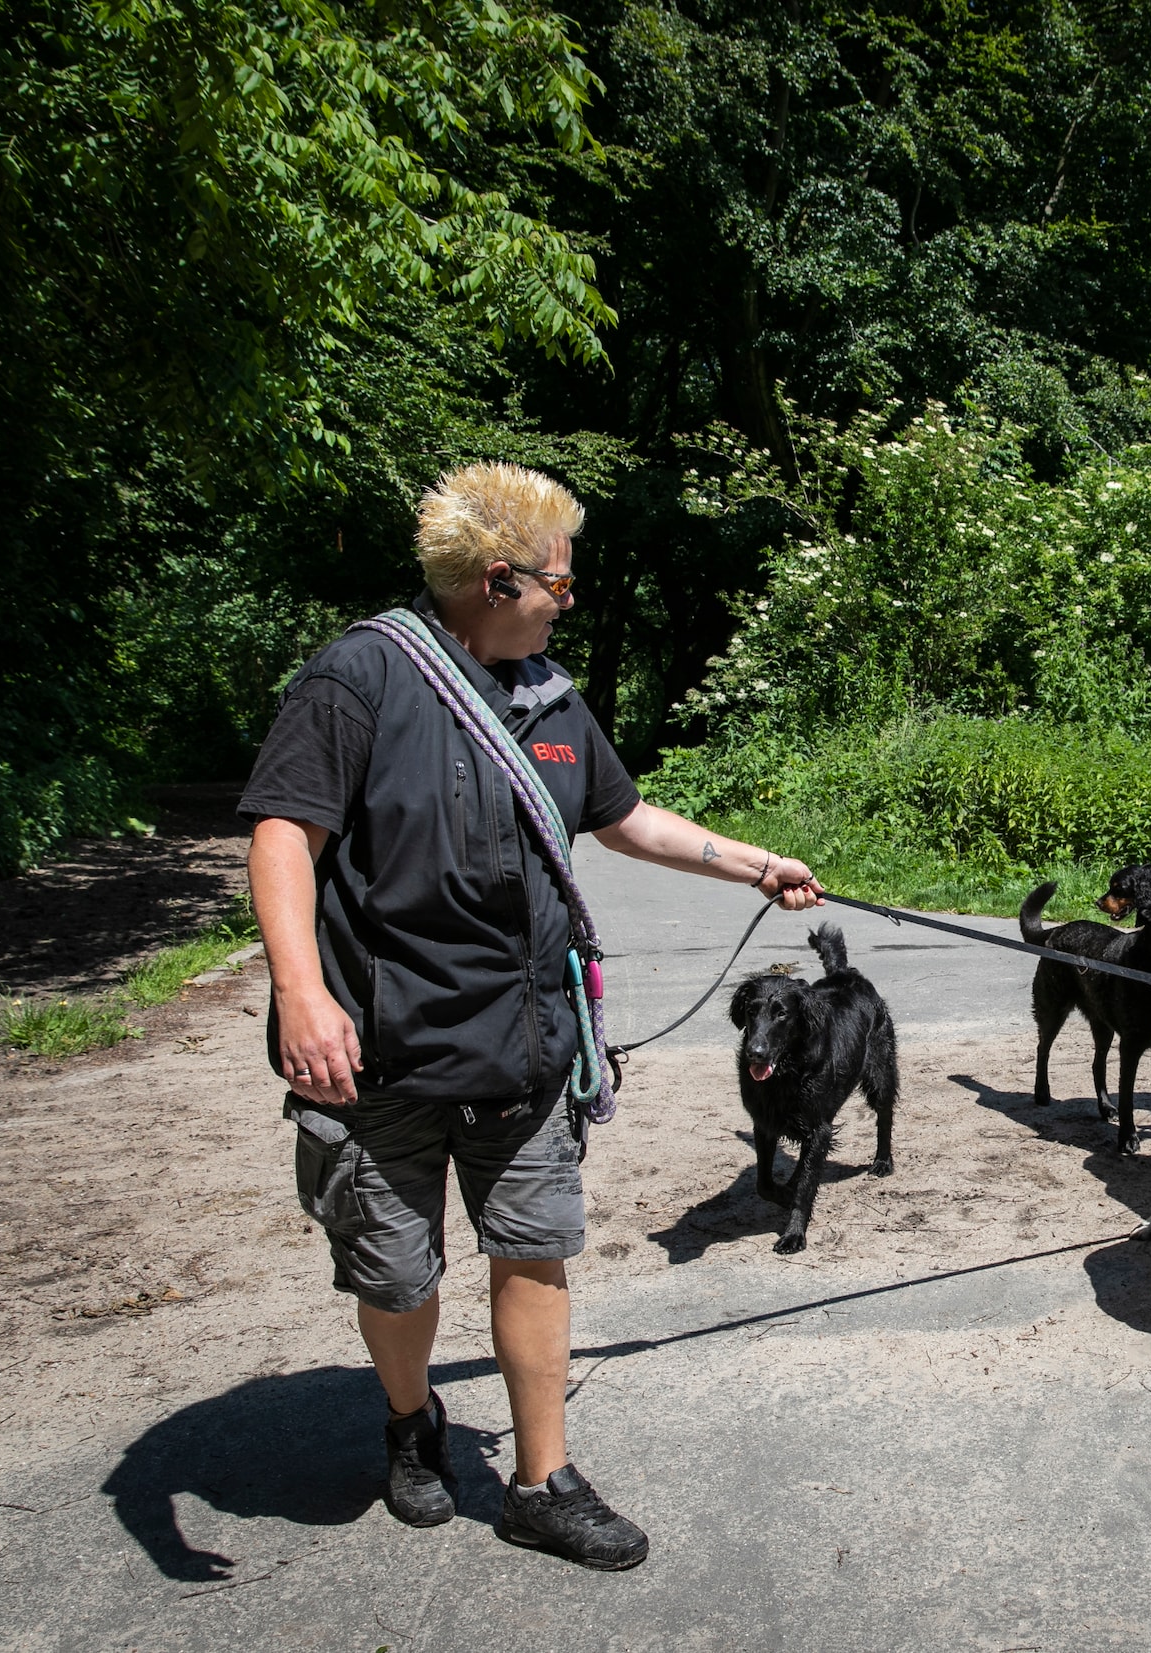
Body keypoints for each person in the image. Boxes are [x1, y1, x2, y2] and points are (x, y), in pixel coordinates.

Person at [241, 462, 820, 1569]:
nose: (569, 598)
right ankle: (412, 1426)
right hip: (380, 1049)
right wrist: (303, 995)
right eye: (561, 581)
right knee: (396, 1273)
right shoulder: (358, 678)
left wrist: (754, 865)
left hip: (525, 1044)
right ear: (497, 580)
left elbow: (623, 816)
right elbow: (283, 836)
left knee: (535, 1251)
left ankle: (539, 1480)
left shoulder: (549, 695)